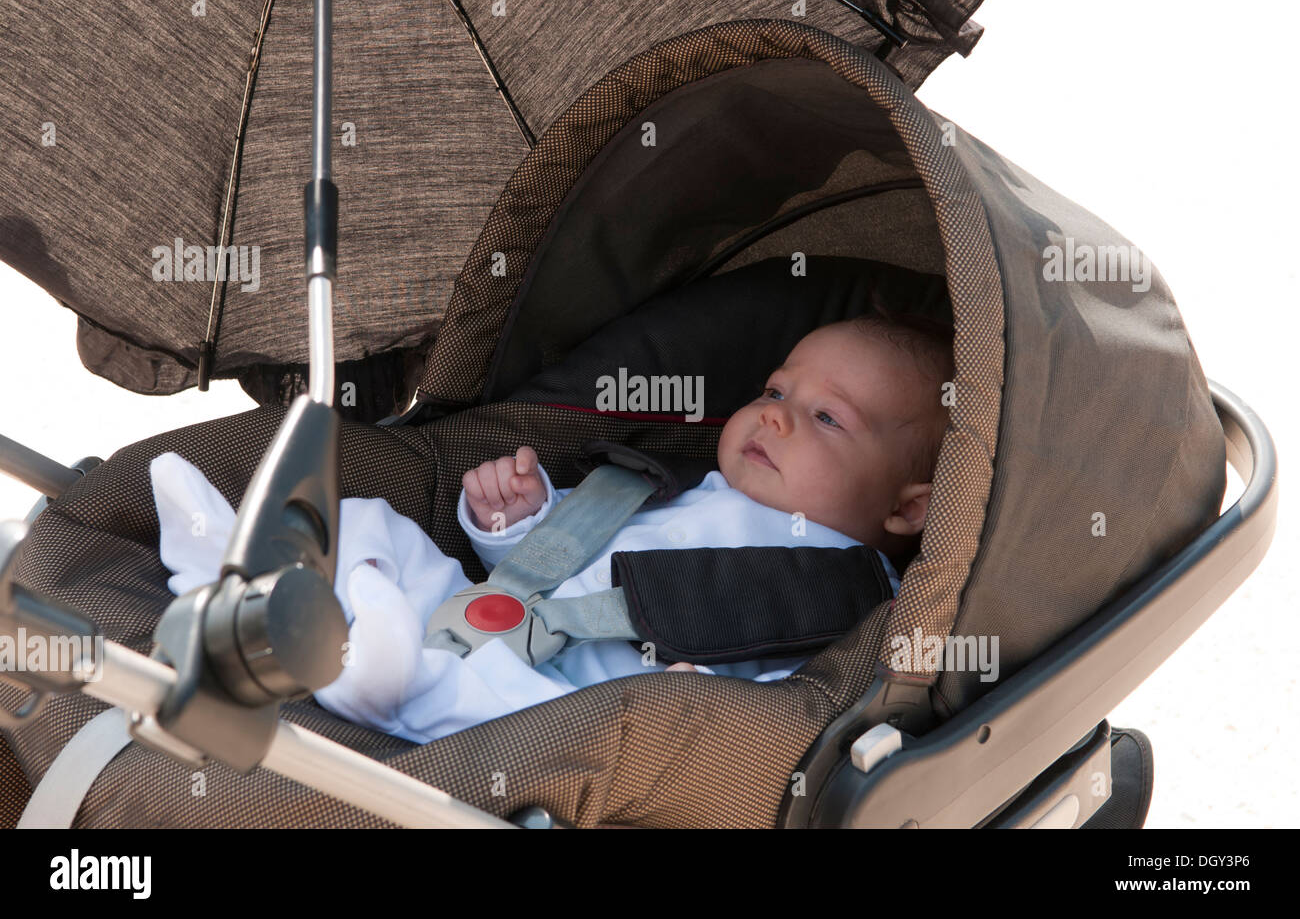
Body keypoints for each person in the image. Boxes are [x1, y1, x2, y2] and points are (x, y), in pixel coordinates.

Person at [151, 312, 953, 744]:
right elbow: (569, 553)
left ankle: (384, 679)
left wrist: (710, 710)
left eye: (824, 416)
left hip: (565, 699)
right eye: (776, 388)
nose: (774, 416)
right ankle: (247, 566)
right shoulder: (678, 485)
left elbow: (807, 698)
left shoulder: (847, 592)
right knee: (375, 520)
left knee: (487, 705)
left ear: (907, 507)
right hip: (488, 607)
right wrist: (515, 521)